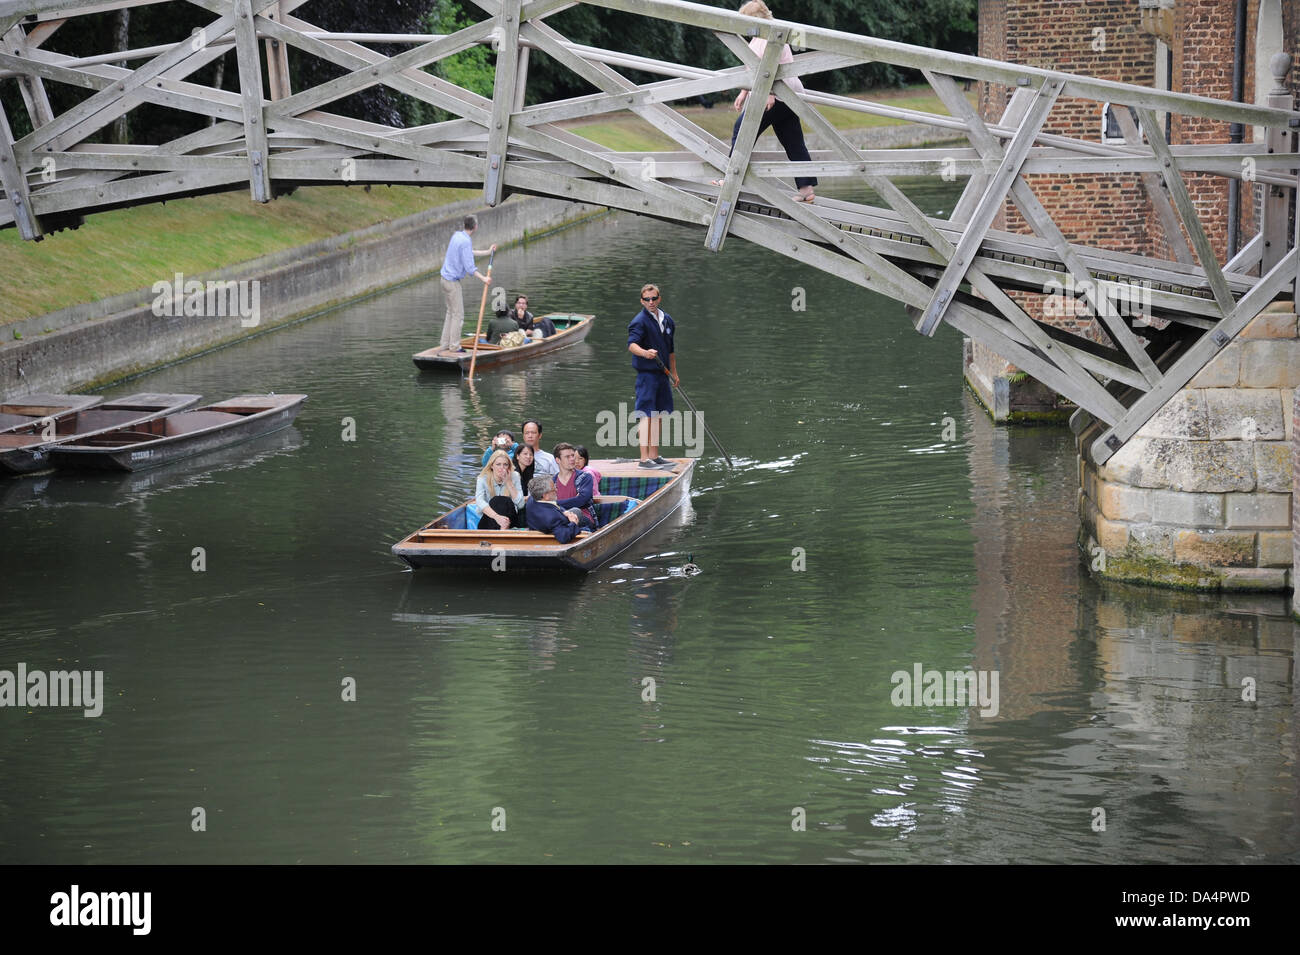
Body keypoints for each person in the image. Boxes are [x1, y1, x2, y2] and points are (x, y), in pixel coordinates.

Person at [711, 1, 817, 203]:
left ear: (757, 20)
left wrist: (769, 94)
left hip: (777, 94)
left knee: (742, 130)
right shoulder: (763, 35)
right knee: (792, 140)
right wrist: (744, 92)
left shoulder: (770, 36)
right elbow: (755, 69)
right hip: (787, 95)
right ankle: (807, 189)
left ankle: (731, 180)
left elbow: (771, 67)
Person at [626, 283, 679, 470]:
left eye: (654, 298)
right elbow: (631, 344)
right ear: (642, 301)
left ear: (659, 299)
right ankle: (643, 459)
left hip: (663, 374)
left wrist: (674, 372)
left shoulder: (667, 320)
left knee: (659, 415)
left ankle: (654, 456)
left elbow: (671, 350)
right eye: (647, 299)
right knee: (646, 415)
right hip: (647, 375)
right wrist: (645, 353)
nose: (651, 302)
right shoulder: (639, 321)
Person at [438, 215, 496, 353]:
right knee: (458, 315)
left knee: (450, 312)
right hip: (452, 283)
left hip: (444, 280)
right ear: (475, 227)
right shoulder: (465, 241)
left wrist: (487, 252)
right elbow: (470, 267)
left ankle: (445, 344)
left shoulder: (457, 236)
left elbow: (468, 254)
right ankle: (454, 346)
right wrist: (484, 279)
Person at [525, 474, 592, 543]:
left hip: (541, 528)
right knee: (588, 529)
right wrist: (573, 523)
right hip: (552, 541)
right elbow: (564, 537)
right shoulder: (552, 517)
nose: (556, 490)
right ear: (545, 496)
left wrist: (564, 512)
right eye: (553, 489)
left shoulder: (532, 499)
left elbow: (553, 506)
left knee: (576, 511)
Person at [475, 449, 526, 529]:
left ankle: (502, 531)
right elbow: (479, 501)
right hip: (489, 518)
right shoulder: (482, 478)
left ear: (509, 466)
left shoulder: (515, 476)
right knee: (496, 501)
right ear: (492, 466)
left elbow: (521, 505)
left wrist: (508, 482)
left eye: (505, 465)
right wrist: (497, 517)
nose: (502, 468)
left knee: (502, 500)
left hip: (510, 519)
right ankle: (502, 532)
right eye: (498, 464)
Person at [552, 442, 597, 527]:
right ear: (558, 460)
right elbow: (544, 503)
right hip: (560, 517)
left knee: (575, 511)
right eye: (567, 457)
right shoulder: (552, 482)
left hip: (583, 518)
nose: (572, 459)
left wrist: (555, 503)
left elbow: (581, 500)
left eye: (572, 456)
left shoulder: (585, 477)